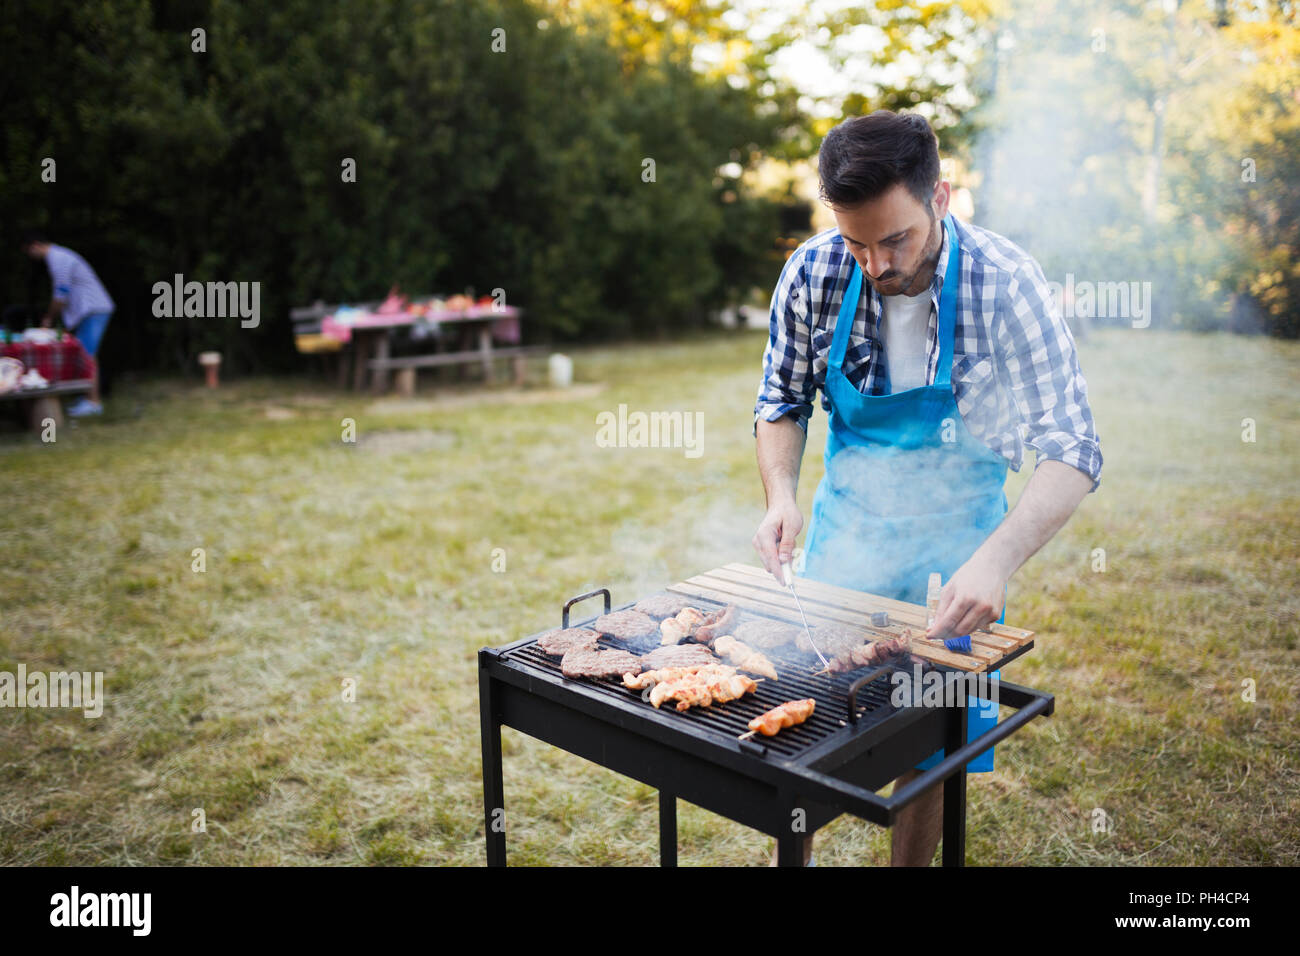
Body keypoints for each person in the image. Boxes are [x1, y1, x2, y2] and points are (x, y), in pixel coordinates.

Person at [752, 111, 1102, 866]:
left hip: (960, 554)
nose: (875, 263)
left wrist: (996, 562)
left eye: (895, 239)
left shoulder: (1006, 286)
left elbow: (1073, 448)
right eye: (856, 242)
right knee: (811, 724)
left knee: (929, 745)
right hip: (849, 535)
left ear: (941, 198)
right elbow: (781, 399)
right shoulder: (814, 271)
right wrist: (781, 496)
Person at [20, 231, 115, 416]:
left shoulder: (58, 259)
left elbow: (60, 294)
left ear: (35, 245)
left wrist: (48, 318)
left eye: (29, 252)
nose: (31, 257)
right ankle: (87, 398)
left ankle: (93, 402)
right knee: (85, 354)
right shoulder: (59, 256)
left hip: (93, 309)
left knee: (86, 356)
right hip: (89, 310)